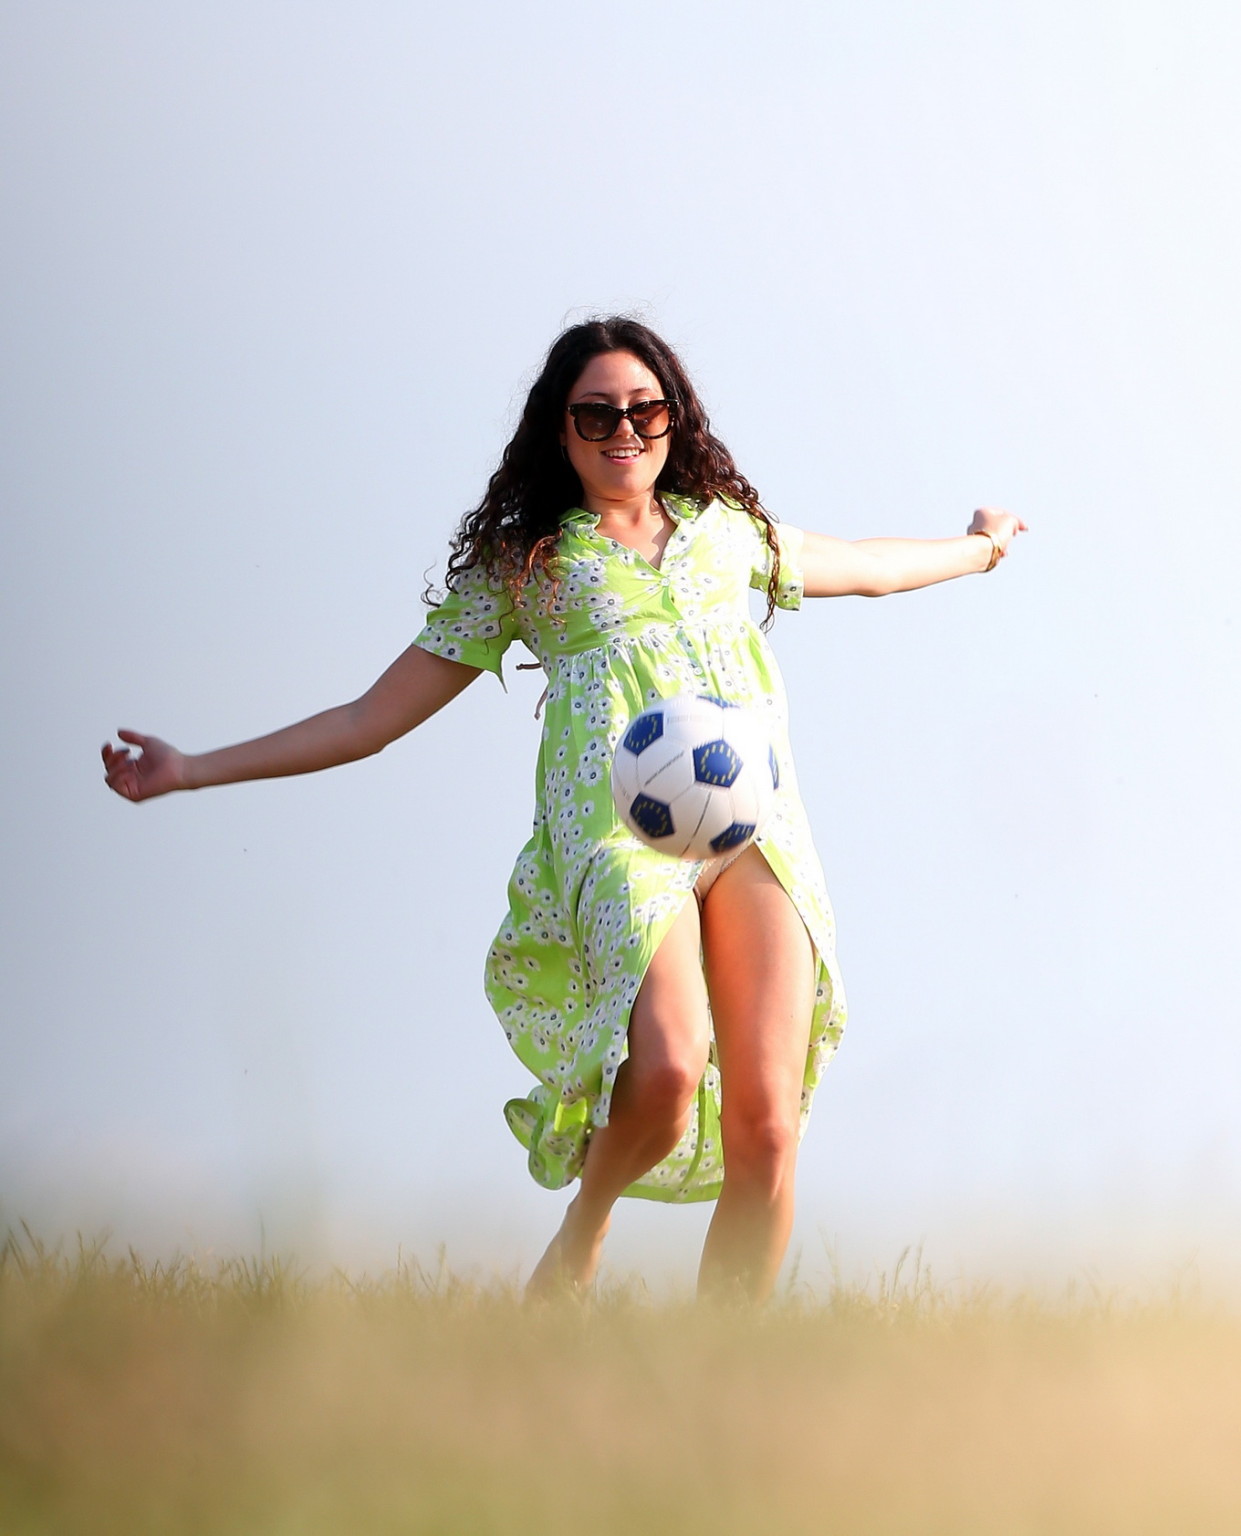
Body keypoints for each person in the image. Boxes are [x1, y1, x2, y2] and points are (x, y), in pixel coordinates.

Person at [102, 316, 1025, 1302]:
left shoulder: (726, 533)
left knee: (767, 1128)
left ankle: (729, 1379)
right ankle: (584, 1225)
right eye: (596, 413)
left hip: (754, 834)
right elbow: (372, 717)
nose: (622, 430)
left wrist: (977, 550)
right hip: (618, 839)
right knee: (667, 1075)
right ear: (560, 430)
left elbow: (868, 568)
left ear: (676, 418)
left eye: (644, 408)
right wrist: (193, 767)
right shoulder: (527, 564)